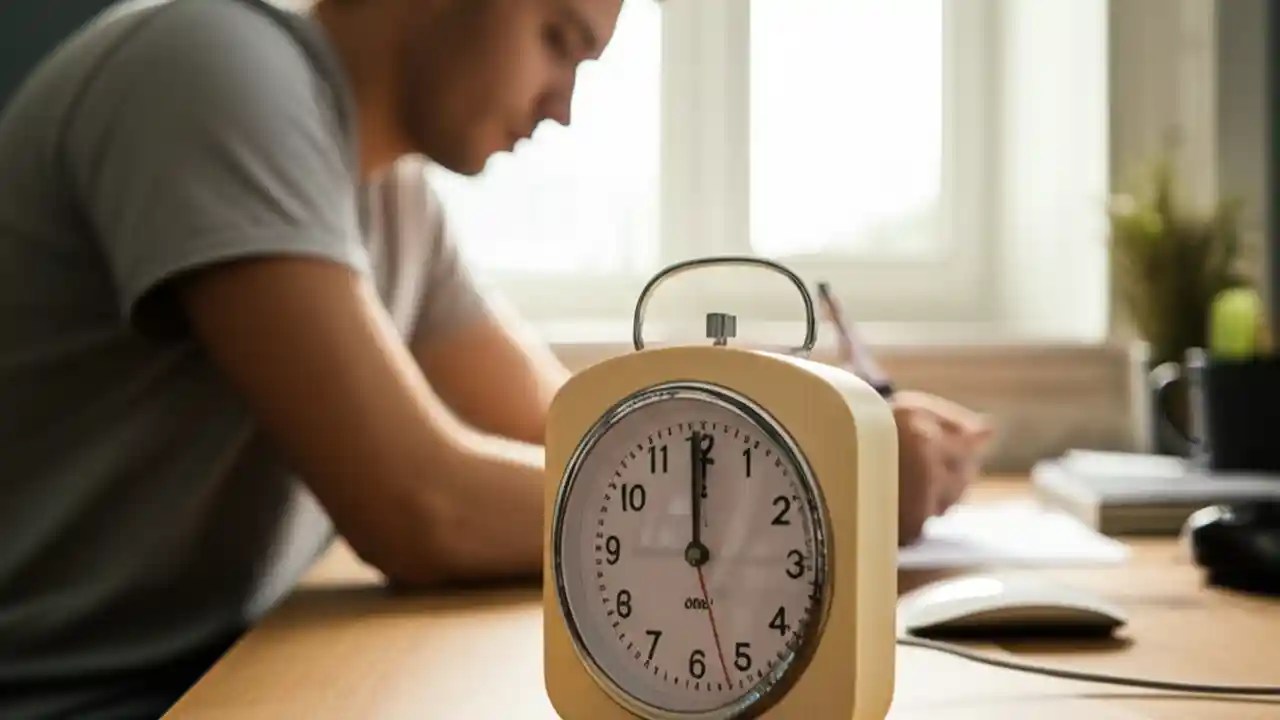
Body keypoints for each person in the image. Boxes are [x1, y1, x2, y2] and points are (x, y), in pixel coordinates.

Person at [0, 0, 992, 716]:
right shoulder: (207, 62)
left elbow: (578, 436)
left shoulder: (388, 201)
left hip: (219, 677)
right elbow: (422, 505)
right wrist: (818, 489)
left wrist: (807, 431)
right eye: (559, 37)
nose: (562, 105)